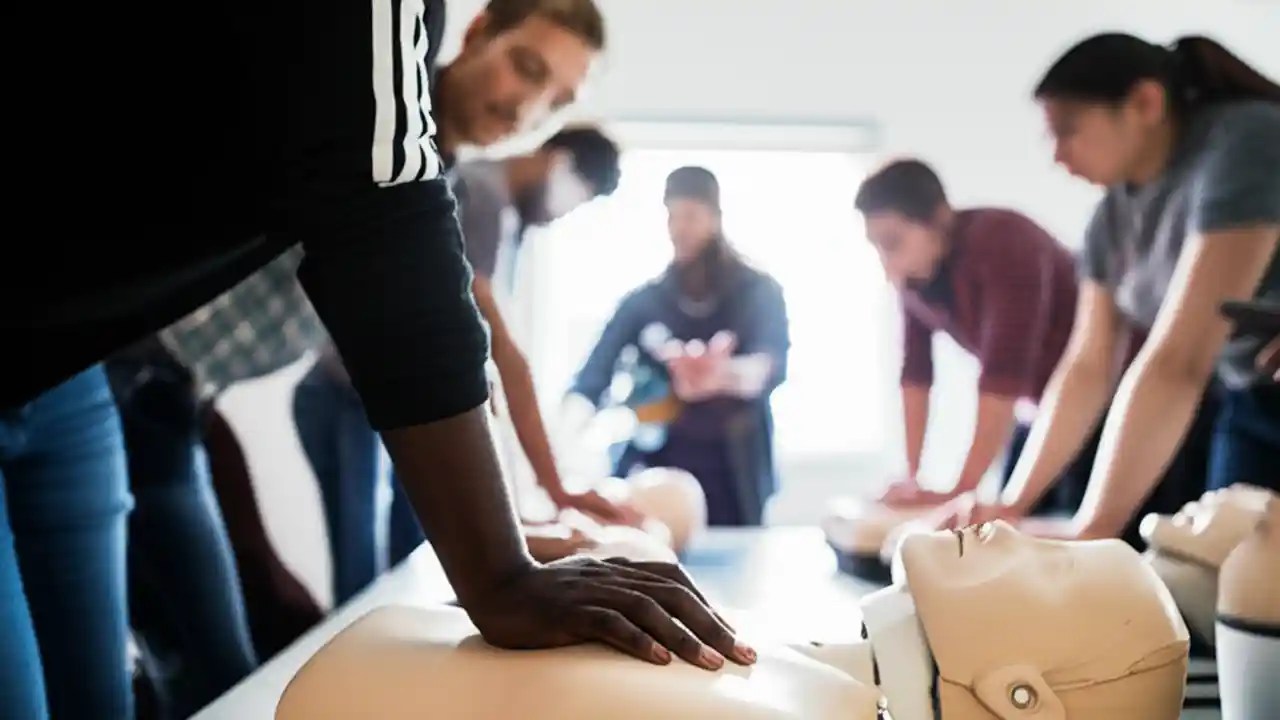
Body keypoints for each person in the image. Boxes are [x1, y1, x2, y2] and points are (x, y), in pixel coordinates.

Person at [1, 0, 751, 717]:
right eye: (525, 68)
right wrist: (500, 565)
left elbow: (473, 348)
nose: (527, 107)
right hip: (137, 373)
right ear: (479, 31)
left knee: (146, 676)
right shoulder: (387, 123)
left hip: (124, 395)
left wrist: (513, 526)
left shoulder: (430, 164)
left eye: (555, 98)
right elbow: (418, 278)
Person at [937, 33, 1280, 542]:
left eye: (1069, 131)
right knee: (1222, 573)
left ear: (1145, 103)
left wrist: (1091, 532)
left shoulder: (1244, 143)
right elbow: (1086, 367)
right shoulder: (1110, 219)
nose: (1057, 156)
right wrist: (1012, 504)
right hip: (1249, 395)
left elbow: (1178, 361)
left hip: (1247, 388)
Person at [296, 126, 627, 605]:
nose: (564, 213)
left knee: (417, 557)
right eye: (580, 196)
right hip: (347, 396)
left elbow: (483, 370)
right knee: (366, 574)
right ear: (559, 161)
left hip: (386, 397)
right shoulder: (484, 194)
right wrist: (555, 488)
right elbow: (500, 358)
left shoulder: (505, 217)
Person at [852, 159, 1085, 514]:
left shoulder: (1003, 242)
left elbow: (1002, 377)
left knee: (1073, 529)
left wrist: (961, 490)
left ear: (938, 219)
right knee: (1008, 524)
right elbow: (915, 375)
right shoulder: (914, 279)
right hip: (1041, 410)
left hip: (1101, 404)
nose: (888, 264)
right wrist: (913, 478)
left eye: (893, 243)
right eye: (878, 247)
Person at [564, 167, 791, 527]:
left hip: (735, 473)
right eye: (672, 216)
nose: (679, 228)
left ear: (715, 217)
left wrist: (722, 375)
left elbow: (767, 365)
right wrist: (555, 454)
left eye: (691, 216)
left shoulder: (759, 293)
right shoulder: (645, 302)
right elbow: (592, 378)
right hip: (660, 466)